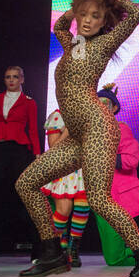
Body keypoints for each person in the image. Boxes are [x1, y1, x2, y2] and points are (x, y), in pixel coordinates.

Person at [14, 0, 139, 277]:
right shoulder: (74, 45)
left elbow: (135, 15)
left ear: (104, 21)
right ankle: (54, 251)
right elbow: (59, 27)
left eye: (95, 17)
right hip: (78, 136)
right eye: (83, 14)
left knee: (98, 198)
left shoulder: (105, 43)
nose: (86, 21)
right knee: (26, 183)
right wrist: (79, 6)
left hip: (98, 129)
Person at [0, 66, 42, 255]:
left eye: (15, 77)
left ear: (22, 79)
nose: (11, 80)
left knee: (25, 198)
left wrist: (37, 156)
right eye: (7, 77)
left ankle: (38, 248)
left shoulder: (29, 103)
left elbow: (33, 131)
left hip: (19, 151)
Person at [92, 84, 139, 266]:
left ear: (115, 108)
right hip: (99, 197)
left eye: (106, 103)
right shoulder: (92, 132)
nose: (102, 107)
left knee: (115, 258)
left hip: (117, 199)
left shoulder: (121, 129)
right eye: (98, 104)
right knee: (112, 257)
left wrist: (103, 157)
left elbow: (130, 160)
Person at [39, 108, 89, 265]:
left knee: (83, 206)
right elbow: (54, 147)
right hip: (64, 168)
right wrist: (68, 130)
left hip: (83, 166)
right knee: (63, 210)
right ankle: (58, 251)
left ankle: (73, 250)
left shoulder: (85, 113)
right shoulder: (57, 116)